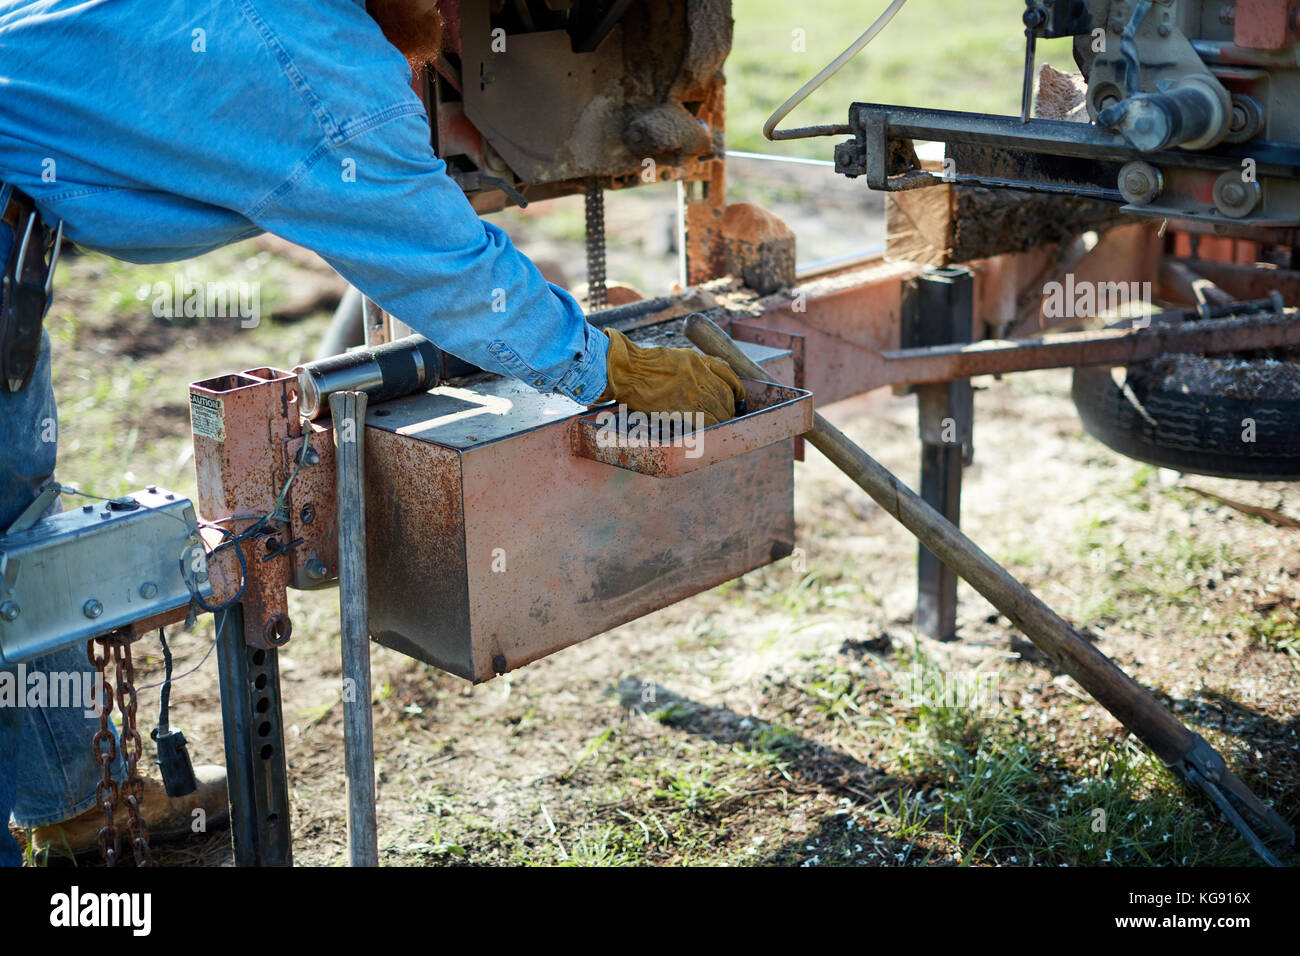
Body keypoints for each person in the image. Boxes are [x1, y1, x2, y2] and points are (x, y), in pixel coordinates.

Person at [0, 0, 743, 865]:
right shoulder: (316, 64)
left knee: (14, 517)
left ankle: (69, 797)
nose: (471, 31)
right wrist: (613, 369)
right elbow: (457, 275)